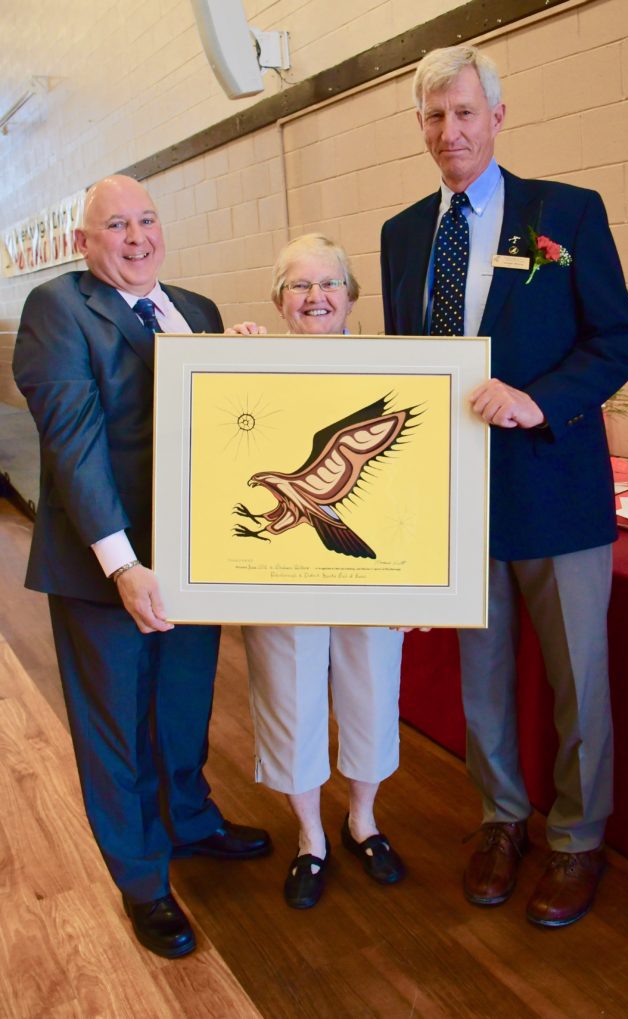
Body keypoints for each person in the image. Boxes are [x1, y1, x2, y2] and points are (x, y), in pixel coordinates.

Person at [381, 46, 628, 927]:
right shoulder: (403, 234)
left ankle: (576, 836)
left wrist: (540, 402)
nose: (449, 130)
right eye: (432, 117)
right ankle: (500, 819)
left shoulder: (564, 214)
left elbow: (617, 343)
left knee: (579, 677)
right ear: (419, 128)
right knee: (481, 677)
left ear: (497, 115)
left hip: (557, 490)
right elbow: (411, 375)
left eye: (462, 112)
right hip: (460, 500)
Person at [12, 174, 272, 959]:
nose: (136, 237)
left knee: (184, 702)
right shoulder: (59, 310)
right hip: (106, 565)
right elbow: (75, 445)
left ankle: (190, 821)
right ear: (83, 242)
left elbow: (227, 428)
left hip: (194, 556)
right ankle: (143, 879)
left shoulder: (198, 311)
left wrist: (254, 369)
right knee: (117, 724)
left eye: (147, 220)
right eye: (115, 225)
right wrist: (124, 564)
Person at [228, 233, 405, 909]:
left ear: (352, 295)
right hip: (279, 570)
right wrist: (223, 358)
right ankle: (310, 836)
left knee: (370, 689)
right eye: (299, 287)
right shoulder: (249, 366)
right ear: (277, 300)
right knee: (289, 695)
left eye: (328, 283)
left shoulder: (394, 371)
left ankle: (362, 820)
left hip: (371, 565)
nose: (315, 297)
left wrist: (426, 578)